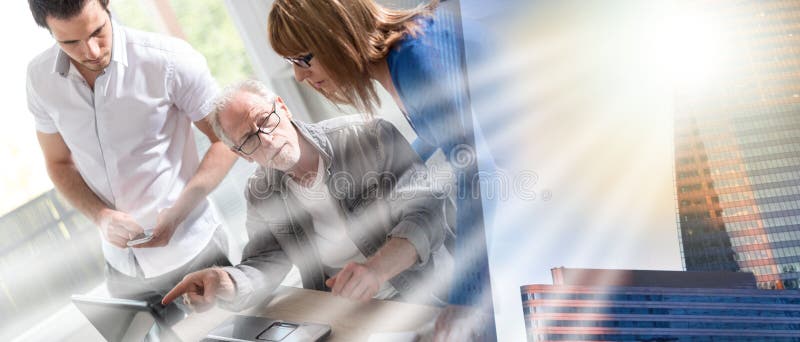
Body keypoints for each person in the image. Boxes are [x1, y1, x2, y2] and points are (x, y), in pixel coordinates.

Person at [267, 0, 496, 340]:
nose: (299, 76)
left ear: (336, 35)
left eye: (304, 58)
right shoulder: (403, 56)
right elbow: (443, 135)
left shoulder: (414, 61)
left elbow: (479, 181)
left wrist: (464, 298)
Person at [26, 0, 237, 320]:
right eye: (70, 42)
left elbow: (228, 141)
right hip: (122, 271)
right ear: (49, 31)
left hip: (194, 255)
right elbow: (58, 164)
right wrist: (100, 217)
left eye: (98, 31)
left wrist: (180, 211)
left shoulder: (169, 60)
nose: (92, 51)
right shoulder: (40, 80)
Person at [162, 80, 452, 311]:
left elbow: (427, 214)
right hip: (342, 312)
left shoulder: (368, 136)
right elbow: (265, 262)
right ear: (242, 155)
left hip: (422, 297)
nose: (266, 139)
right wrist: (227, 280)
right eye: (249, 140)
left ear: (283, 108)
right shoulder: (261, 192)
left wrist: (375, 271)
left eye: (265, 120)